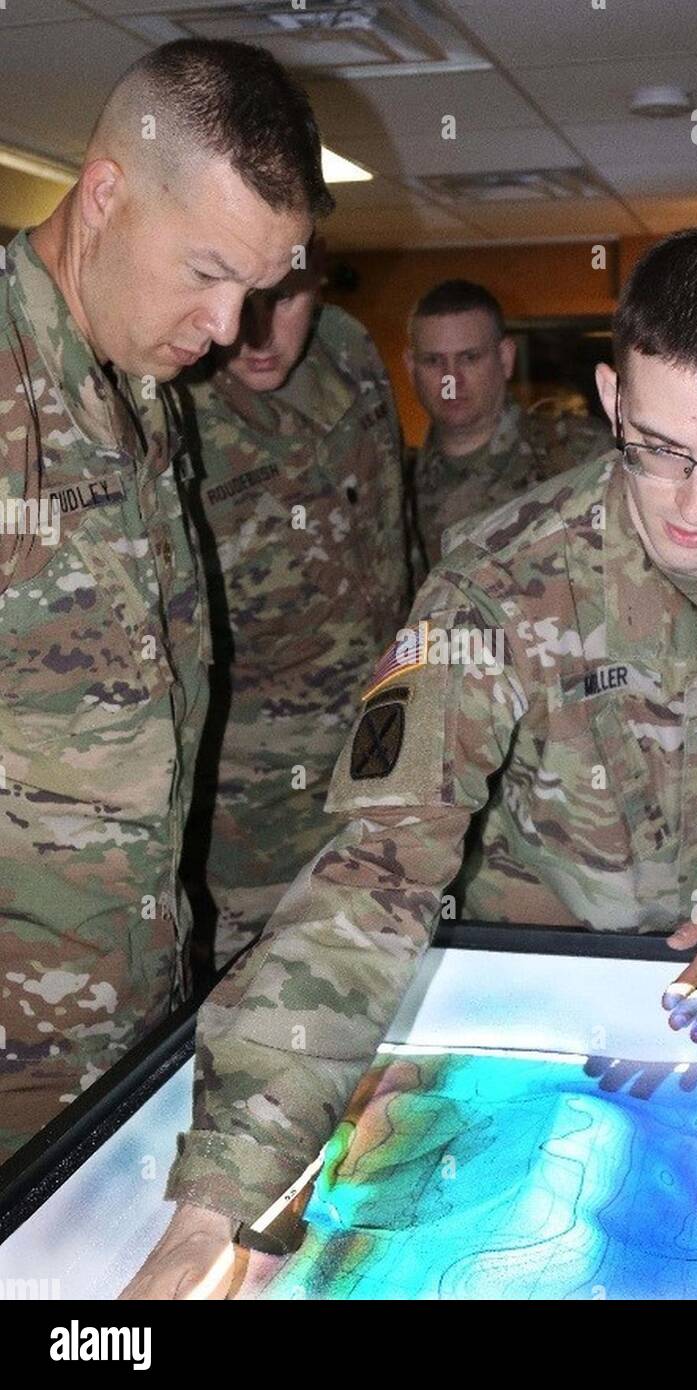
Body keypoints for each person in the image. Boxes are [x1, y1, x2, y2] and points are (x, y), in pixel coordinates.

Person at [124, 228, 697, 1299]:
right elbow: (377, 873)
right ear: (612, 398)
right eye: (663, 448)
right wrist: (225, 1194)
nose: (695, 503)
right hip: (541, 975)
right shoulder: (493, 583)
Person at [0, 37, 332, 1162]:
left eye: (261, 288)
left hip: (132, 1017)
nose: (232, 330)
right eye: (208, 272)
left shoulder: (143, 391)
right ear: (105, 194)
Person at [178, 239, 409, 974]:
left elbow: (395, 535)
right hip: (255, 825)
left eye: (282, 297)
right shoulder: (174, 403)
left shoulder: (349, 352)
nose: (253, 331)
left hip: (387, 777)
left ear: (318, 282)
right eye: (236, 294)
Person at [405, 279, 614, 578]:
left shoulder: (580, 455)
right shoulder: (391, 487)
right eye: (433, 361)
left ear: (505, 358)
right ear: (411, 368)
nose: (451, 380)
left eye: (469, 358)